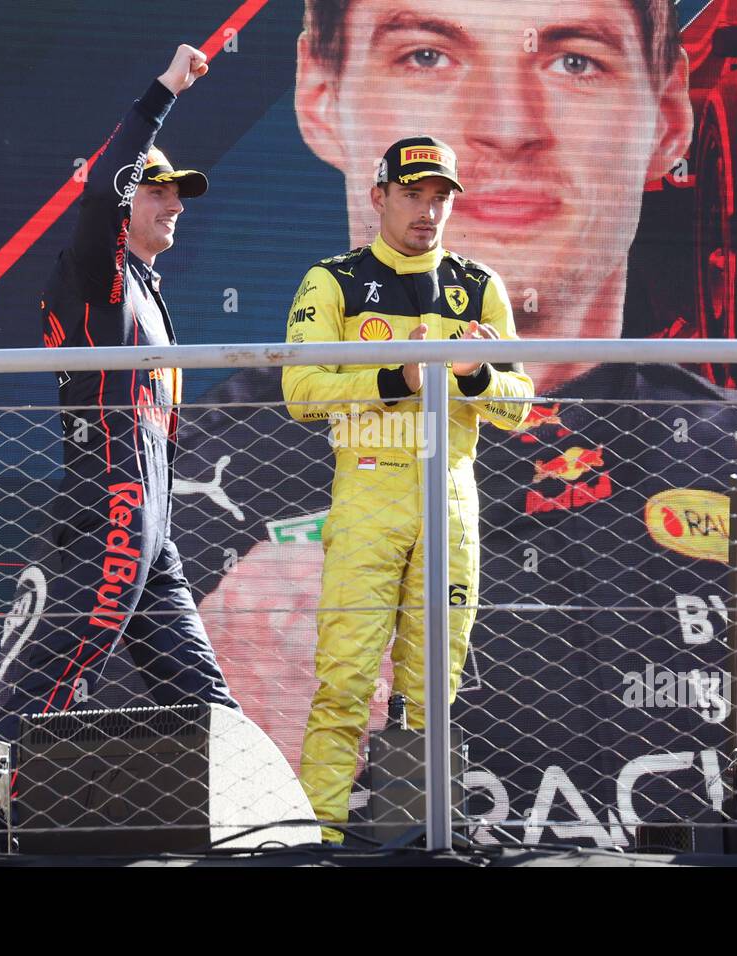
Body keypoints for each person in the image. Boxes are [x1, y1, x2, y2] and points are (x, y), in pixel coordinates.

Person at [172, 0, 737, 845]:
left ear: (669, 114)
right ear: (319, 94)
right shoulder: (172, 488)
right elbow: (43, 814)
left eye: (574, 61)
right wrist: (221, 728)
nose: (507, 127)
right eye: (426, 56)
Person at [282, 136, 535, 840]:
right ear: (379, 195)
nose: (428, 211)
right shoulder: (332, 279)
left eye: (440, 198)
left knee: (432, 696)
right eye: (414, 194)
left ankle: (420, 840)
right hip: (367, 493)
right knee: (344, 685)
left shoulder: (479, 285)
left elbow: (519, 407)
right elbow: (300, 390)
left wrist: (477, 376)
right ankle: (318, 839)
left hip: (452, 500)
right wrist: (403, 376)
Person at [0, 44, 239, 742]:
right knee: (55, 683)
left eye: (178, 195)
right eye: (159, 191)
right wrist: (163, 91)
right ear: (128, 201)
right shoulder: (95, 275)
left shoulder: (147, 291)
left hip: (152, 528)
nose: (175, 206)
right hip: (112, 504)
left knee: (203, 701)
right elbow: (101, 191)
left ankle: (245, 834)